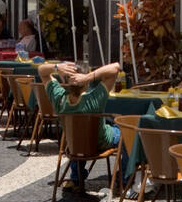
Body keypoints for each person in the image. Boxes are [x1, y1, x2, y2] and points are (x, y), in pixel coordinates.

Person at [38, 59, 122, 187]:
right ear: (85, 82)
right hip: (100, 142)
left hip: (75, 146)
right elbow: (116, 67)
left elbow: (41, 71)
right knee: (128, 132)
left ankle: (76, 176)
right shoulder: (94, 99)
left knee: (77, 136)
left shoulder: (59, 99)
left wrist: (56, 67)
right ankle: (126, 177)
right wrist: (88, 77)